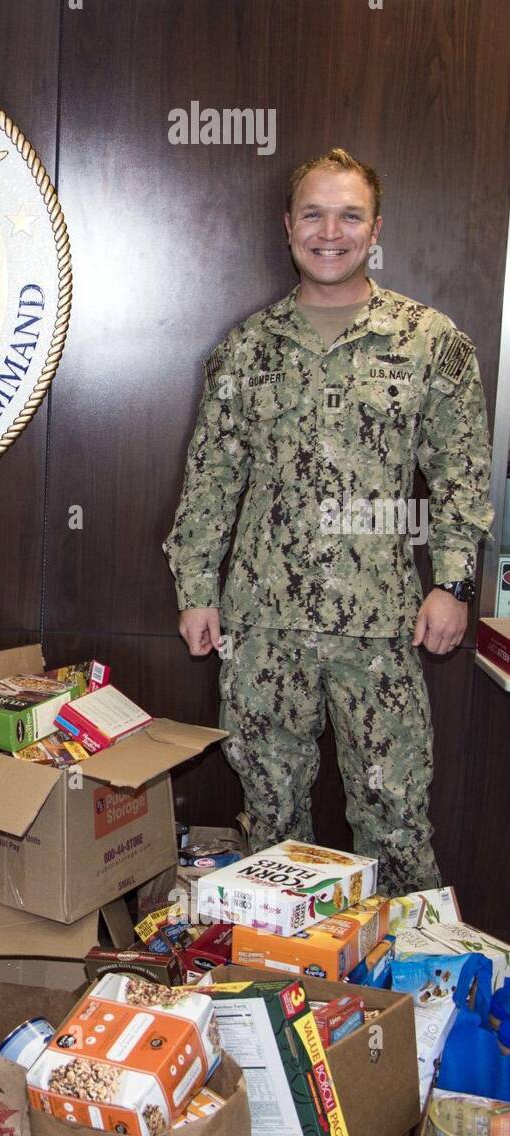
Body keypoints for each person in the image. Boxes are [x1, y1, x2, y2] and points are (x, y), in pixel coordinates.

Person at [164, 149, 494, 896]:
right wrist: (195, 587)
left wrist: (452, 583)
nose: (329, 231)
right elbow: (212, 478)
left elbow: (459, 475)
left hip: (378, 623)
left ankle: (411, 998)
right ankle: (285, 992)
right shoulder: (247, 348)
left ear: (374, 228)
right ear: (287, 227)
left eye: (348, 215)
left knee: (394, 815)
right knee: (272, 822)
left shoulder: (428, 342)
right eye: (312, 213)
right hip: (261, 623)